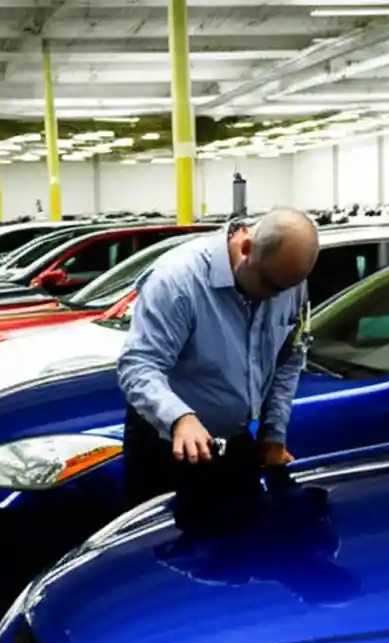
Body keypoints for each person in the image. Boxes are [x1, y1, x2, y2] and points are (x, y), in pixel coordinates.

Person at [117, 207, 320, 508]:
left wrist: (272, 435)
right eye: (268, 285)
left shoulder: (286, 281)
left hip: (234, 445)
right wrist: (179, 418)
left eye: (284, 289)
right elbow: (139, 365)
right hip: (168, 447)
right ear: (246, 246)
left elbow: (288, 360)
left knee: (241, 544)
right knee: (162, 550)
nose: (274, 297)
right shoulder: (178, 282)